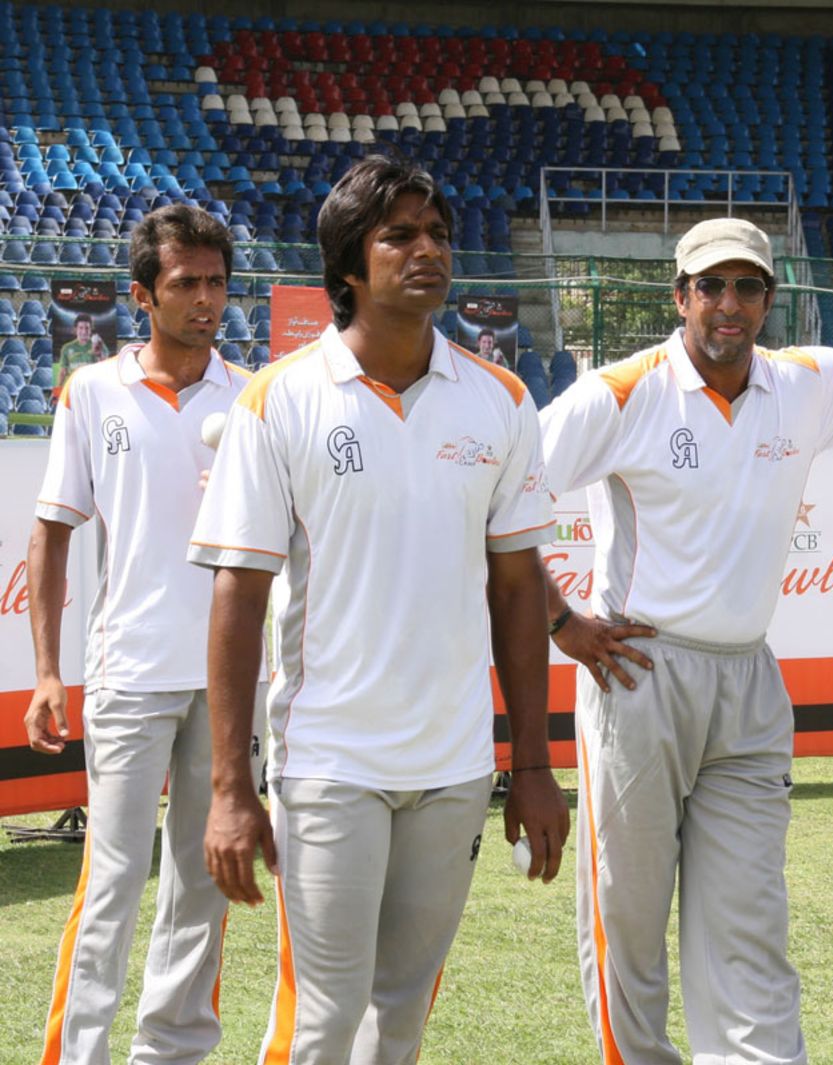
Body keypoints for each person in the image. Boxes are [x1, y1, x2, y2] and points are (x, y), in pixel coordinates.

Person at [537, 216, 833, 1065]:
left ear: (770, 300)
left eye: (747, 287)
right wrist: (563, 622)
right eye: (711, 287)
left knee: (749, 920)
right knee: (628, 916)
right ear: (681, 296)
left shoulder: (802, 382)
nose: (728, 305)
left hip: (748, 680)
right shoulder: (623, 391)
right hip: (638, 672)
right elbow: (504, 500)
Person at [187, 155, 569, 1065]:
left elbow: (517, 589)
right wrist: (232, 787)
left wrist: (532, 762)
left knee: (400, 1015)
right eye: (399, 235)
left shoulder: (502, 398)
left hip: (451, 765)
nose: (427, 250)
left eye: (436, 232)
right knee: (325, 1015)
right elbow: (237, 598)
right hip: (329, 759)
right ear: (349, 267)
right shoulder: (276, 400)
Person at [26, 205, 261, 1064]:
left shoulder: (254, 396)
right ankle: (79, 1055)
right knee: (114, 879)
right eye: (185, 283)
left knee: (205, 880)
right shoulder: (91, 391)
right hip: (128, 671)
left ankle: (171, 1053)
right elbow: (51, 532)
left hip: (234, 681)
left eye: (216, 283)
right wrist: (49, 671)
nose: (206, 300)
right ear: (141, 295)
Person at [56, 312, 110, 389]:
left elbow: (105, 367)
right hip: (74, 387)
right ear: (75, 329)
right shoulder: (67, 348)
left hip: (93, 387)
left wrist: (99, 354)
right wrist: (58, 388)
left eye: (87, 328)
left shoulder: (99, 345)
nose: (84, 331)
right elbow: (63, 371)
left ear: (91, 329)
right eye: (81, 328)